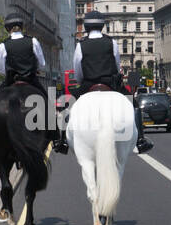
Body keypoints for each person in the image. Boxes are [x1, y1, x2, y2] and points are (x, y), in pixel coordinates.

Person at [64, 10, 152, 154]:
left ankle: (63, 141)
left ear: (86, 27)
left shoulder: (81, 45)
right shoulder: (111, 42)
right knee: (134, 105)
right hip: (110, 84)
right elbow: (117, 66)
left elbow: (77, 69)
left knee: (68, 106)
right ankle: (140, 139)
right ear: (102, 26)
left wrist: (82, 81)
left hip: (88, 85)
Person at [0, 7, 62, 153]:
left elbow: (0, 68)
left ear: (7, 28)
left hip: (11, 80)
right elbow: (42, 62)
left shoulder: (3, 45)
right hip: (30, 79)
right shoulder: (33, 41)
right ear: (21, 27)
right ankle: (56, 138)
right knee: (47, 104)